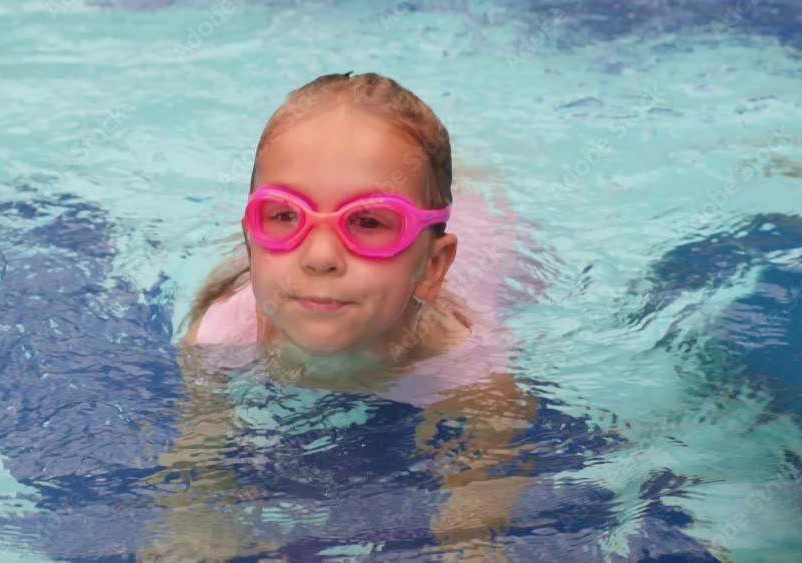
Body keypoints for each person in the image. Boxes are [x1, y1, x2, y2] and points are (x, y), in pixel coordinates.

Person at [143, 71, 540, 561]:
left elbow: (484, 486)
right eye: (284, 214)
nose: (321, 256)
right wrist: (198, 520)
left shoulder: (468, 366)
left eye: (369, 221)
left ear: (432, 268)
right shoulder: (224, 336)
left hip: (492, 232)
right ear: (251, 235)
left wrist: (470, 539)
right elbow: (198, 466)